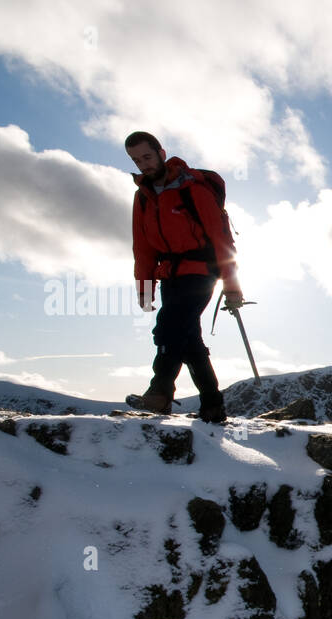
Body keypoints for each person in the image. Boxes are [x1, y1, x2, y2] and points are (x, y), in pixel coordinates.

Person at [125, 130, 243, 423]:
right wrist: (144, 287)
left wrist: (231, 286)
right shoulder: (143, 198)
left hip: (201, 273)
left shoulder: (193, 189)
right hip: (170, 276)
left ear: (162, 153)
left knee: (167, 327)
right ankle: (213, 406)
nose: (144, 164)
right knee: (188, 340)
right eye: (137, 160)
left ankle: (159, 393)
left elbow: (221, 240)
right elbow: (142, 247)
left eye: (147, 157)